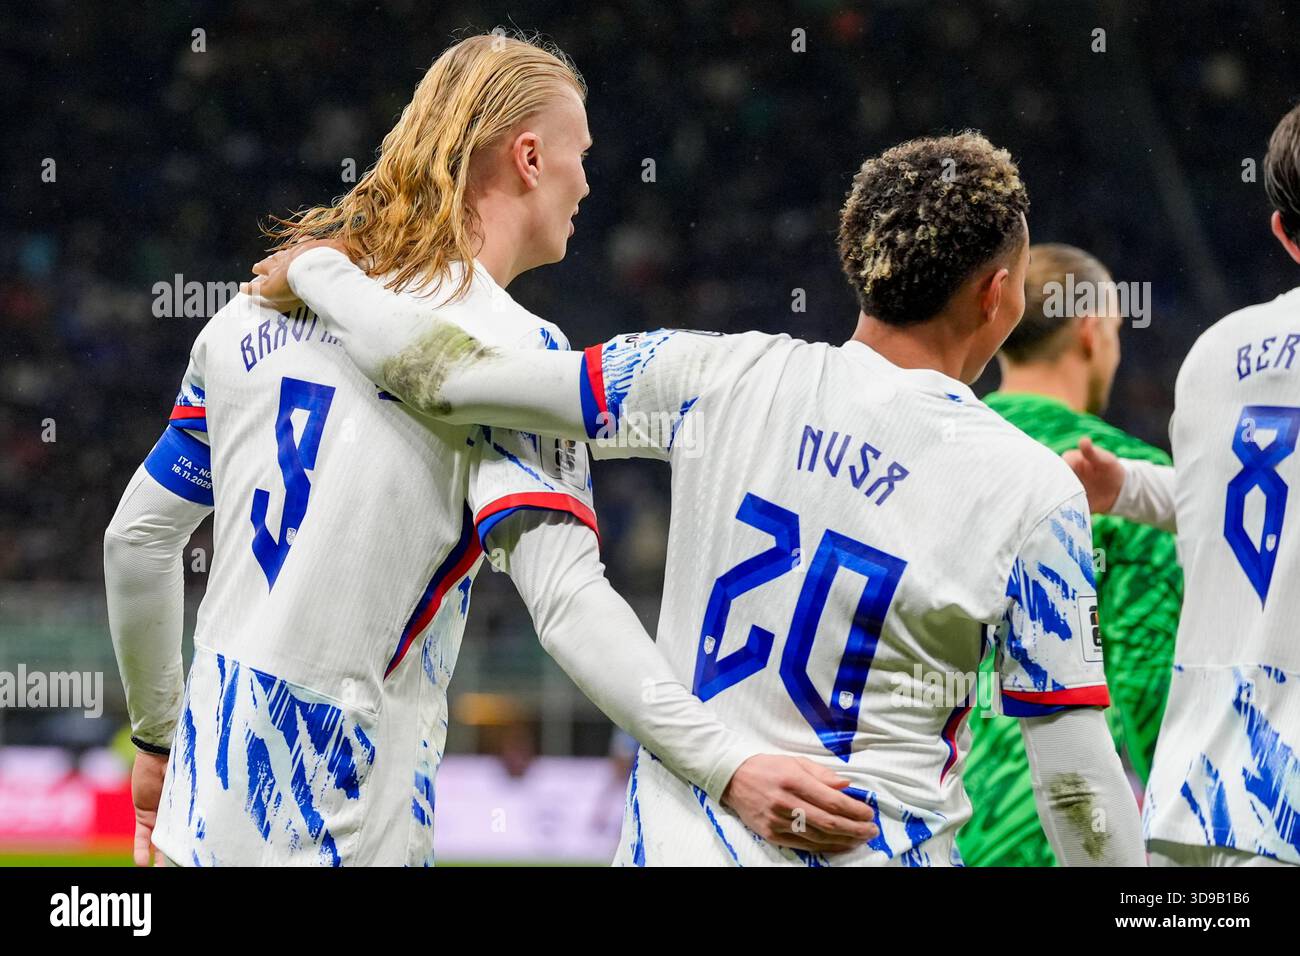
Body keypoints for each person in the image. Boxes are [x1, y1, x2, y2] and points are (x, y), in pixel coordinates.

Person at [249, 132, 1147, 866]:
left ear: (860, 267)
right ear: (997, 296)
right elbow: (1076, 784)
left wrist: (326, 273)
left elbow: (449, 377)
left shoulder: (714, 374)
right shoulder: (1033, 491)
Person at [104, 32, 874, 867]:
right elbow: (570, 604)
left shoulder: (251, 314)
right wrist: (728, 765)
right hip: (341, 830)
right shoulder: (512, 356)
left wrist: (156, 739)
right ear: (530, 157)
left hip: (195, 825)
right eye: (582, 155)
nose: (588, 181)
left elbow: (137, 542)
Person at [1064, 104, 1300, 867]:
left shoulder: (1215, 353)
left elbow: (1251, 501)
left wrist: (1128, 485)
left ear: (1283, 233)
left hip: (1196, 801)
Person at [957, 244, 1182, 867]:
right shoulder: (1129, 482)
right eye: (1113, 329)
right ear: (1089, 331)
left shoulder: (939, 452)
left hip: (925, 818)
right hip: (1058, 834)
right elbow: (1147, 687)